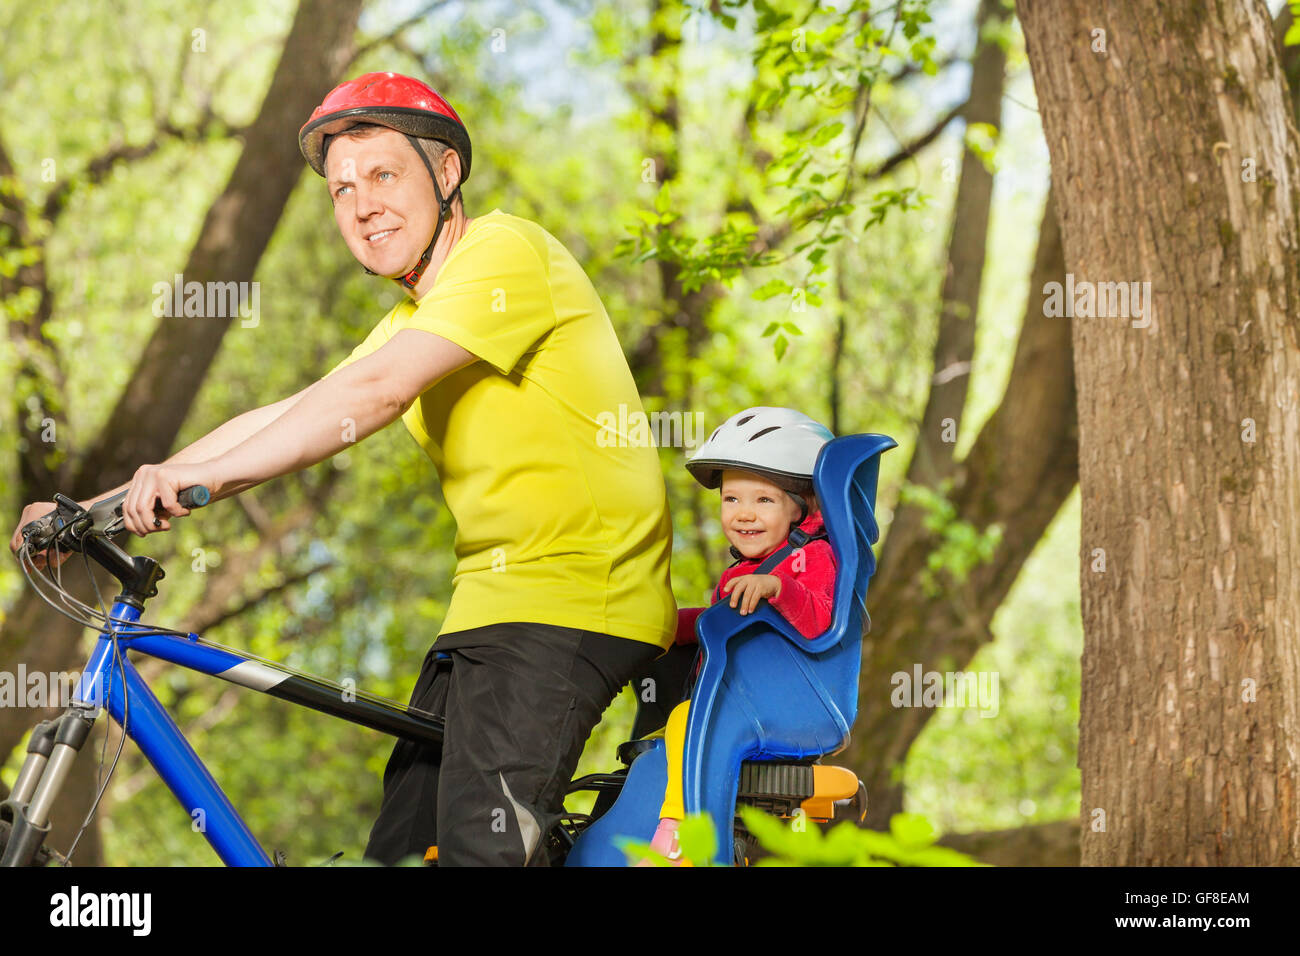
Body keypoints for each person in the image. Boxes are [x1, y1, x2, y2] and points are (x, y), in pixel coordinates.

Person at [10, 71, 677, 867]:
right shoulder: (416, 316)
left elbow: (378, 391)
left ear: (447, 174)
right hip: (487, 615)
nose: (361, 206)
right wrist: (100, 503)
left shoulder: (508, 252)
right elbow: (290, 415)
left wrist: (206, 482)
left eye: (384, 175)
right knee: (399, 855)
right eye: (340, 190)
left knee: (481, 852)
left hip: (575, 600)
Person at [639, 406, 837, 864]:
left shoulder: (812, 559)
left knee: (686, 721)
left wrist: (779, 587)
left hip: (783, 705)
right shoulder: (743, 572)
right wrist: (660, 624)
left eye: (763, 501)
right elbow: (714, 623)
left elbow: (822, 622)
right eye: (732, 500)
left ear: (800, 506)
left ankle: (678, 835)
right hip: (740, 701)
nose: (744, 514)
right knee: (664, 730)